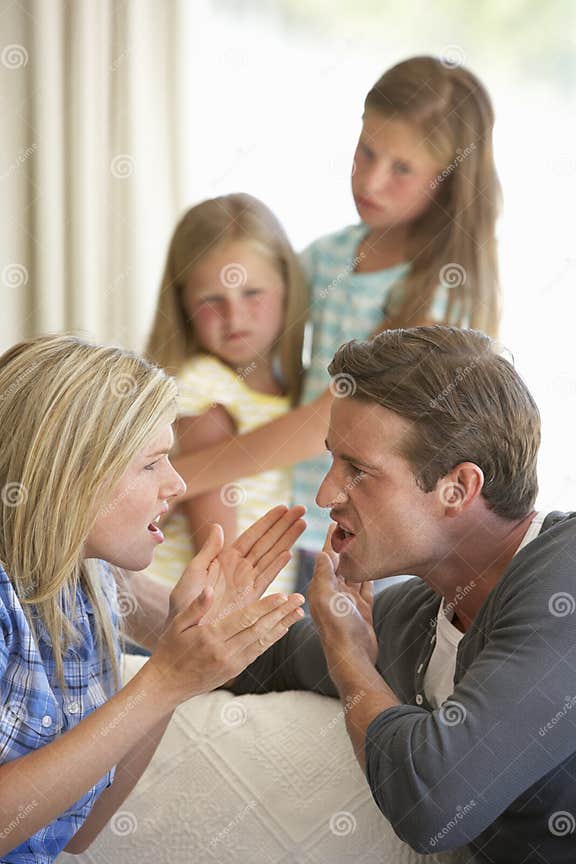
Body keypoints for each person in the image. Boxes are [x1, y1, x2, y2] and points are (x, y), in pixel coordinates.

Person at [227, 326, 576, 863]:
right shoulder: (418, 614)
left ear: (457, 488)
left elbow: (436, 805)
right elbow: (259, 658)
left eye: (358, 471)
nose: (325, 495)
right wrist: (130, 595)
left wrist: (349, 659)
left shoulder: (566, 579)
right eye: (331, 461)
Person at [162, 55, 503, 590]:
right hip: (302, 527)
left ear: (446, 179)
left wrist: (177, 479)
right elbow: (252, 345)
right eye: (367, 150)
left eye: (401, 169)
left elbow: (327, 419)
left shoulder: (441, 291)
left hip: (383, 539)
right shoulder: (326, 257)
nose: (371, 179)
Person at [0, 334, 305, 862]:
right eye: (151, 464)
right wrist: (163, 681)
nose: (177, 483)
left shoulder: (83, 593)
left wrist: (178, 649)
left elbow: (74, 833)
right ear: (69, 472)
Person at [144, 193, 307, 595]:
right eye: (212, 300)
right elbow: (217, 560)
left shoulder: (293, 393)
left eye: (252, 294)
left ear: (287, 286)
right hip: (188, 617)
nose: (234, 317)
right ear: (182, 302)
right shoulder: (201, 388)